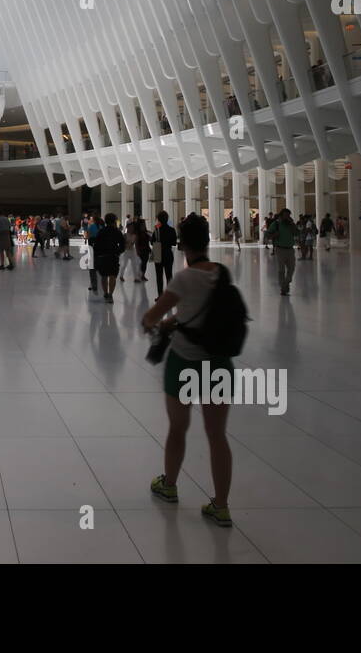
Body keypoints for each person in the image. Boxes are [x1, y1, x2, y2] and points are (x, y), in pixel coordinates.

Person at [142, 213, 234, 527]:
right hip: (219, 363)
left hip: (184, 363)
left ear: (182, 244)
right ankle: (220, 505)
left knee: (178, 429)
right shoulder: (221, 273)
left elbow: (152, 317)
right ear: (207, 241)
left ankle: (169, 485)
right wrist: (176, 319)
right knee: (217, 435)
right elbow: (199, 314)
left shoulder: (183, 279)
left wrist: (155, 324)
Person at [93, 213, 125, 302]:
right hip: (113, 256)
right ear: (114, 220)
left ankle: (105, 293)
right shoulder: (117, 231)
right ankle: (110, 294)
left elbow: (96, 245)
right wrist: (118, 252)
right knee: (112, 276)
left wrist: (97, 255)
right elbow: (122, 245)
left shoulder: (101, 231)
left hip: (102, 257)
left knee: (104, 276)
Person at [266, 208, 297, 295]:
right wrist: (274, 235)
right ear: (281, 216)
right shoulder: (276, 224)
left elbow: (296, 233)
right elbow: (267, 235)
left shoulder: (290, 224)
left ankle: (286, 283)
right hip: (280, 249)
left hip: (290, 249)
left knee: (292, 268)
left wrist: (292, 224)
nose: (287, 217)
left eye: (288, 215)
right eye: (285, 215)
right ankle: (283, 287)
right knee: (281, 270)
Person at [153, 211, 177, 296]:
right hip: (167, 252)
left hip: (157, 252)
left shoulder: (156, 229)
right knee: (169, 274)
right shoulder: (172, 230)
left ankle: (160, 295)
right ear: (167, 219)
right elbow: (174, 243)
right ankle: (169, 295)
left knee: (159, 276)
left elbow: (152, 242)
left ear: (158, 219)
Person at [118, 218, 141, 283]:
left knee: (134, 264)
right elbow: (122, 244)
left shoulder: (135, 235)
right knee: (124, 264)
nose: (131, 229)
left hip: (132, 251)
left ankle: (136, 278)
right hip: (126, 251)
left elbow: (135, 243)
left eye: (132, 227)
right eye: (130, 227)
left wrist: (137, 250)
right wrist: (126, 244)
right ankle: (121, 276)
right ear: (127, 228)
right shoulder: (125, 235)